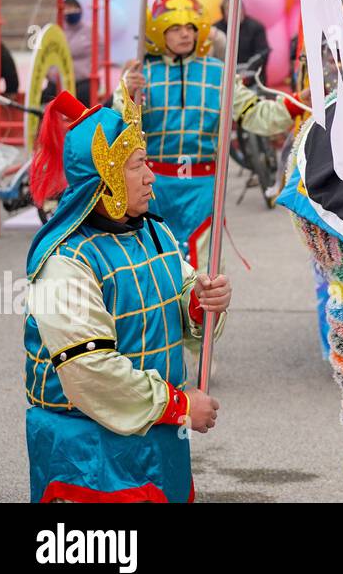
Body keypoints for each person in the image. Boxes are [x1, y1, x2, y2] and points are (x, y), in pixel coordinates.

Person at [23, 84, 230, 502]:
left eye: (147, 162)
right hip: (89, 452)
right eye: (137, 166)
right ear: (105, 177)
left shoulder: (153, 231)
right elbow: (90, 370)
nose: (151, 176)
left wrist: (201, 301)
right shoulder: (65, 262)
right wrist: (179, 405)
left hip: (157, 441)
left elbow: (180, 289)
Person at [120, 0, 299, 267]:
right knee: (155, 268)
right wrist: (127, 95)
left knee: (205, 270)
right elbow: (121, 132)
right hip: (153, 186)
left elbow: (256, 114)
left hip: (203, 186)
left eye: (190, 27)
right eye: (176, 27)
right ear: (158, 31)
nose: (185, 33)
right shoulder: (142, 74)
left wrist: (297, 103)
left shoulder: (218, 73)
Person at [214, 0, 270, 74]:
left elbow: (263, 52)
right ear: (223, 13)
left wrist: (247, 68)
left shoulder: (256, 27)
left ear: (243, 9)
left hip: (250, 76)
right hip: (222, 74)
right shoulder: (215, 30)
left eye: (238, 7)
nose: (235, 11)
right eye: (229, 9)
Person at [61, 0, 94, 105]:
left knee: (85, 94)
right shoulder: (58, 31)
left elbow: (100, 53)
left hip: (83, 79)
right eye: (67, 9)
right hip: (61, 79)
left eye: (73, 9)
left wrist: (88, 70)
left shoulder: (90, 31)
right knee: (48, 94)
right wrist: (52, 74)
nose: (70, 12)